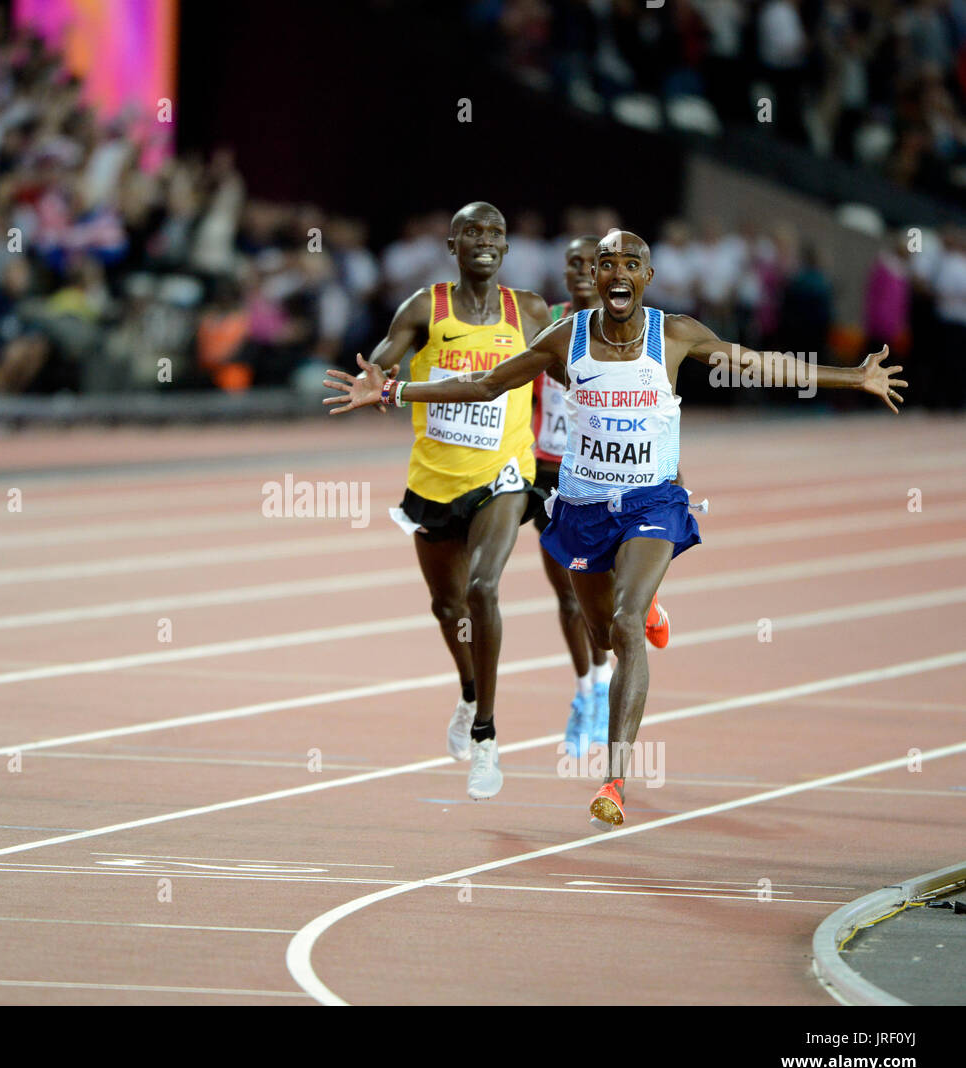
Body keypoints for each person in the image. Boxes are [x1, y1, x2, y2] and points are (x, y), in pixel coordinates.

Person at [325, 229, 906, 830]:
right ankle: (647, 609)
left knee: (624, 627)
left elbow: (757, 364)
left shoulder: (673, 334)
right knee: (602, 634)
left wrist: (852, 377)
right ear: (597, 277)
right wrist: (394, 389)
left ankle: (614, 780)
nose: (618, 272)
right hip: (582, 508)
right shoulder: (564, 339)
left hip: (651, 501)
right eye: (608, 264)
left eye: (631, 263)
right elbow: (486, 384)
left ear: (646, 277)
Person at [355, 201, 551, 800]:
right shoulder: (425, 308)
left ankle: (488, 738)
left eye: (495, 232)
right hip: (437, 480)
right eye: (472, 231)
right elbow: (383, 361)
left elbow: (571, 374)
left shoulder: (531, 311)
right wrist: (374, 380)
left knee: (482, 589)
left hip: (506, 474)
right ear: (453, 244)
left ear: (507, 248)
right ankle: (468, 693)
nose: (484, 240)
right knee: (446, 607)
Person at [532, 236, 614, 758]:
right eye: (574, 264)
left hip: (605, 475)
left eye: (594, 263)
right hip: (548, 471)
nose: (583, 271)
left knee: (604, 592)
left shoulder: (627, 329)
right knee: (565, 590)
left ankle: (606, 677)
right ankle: (587, 690)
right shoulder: (547, 325)